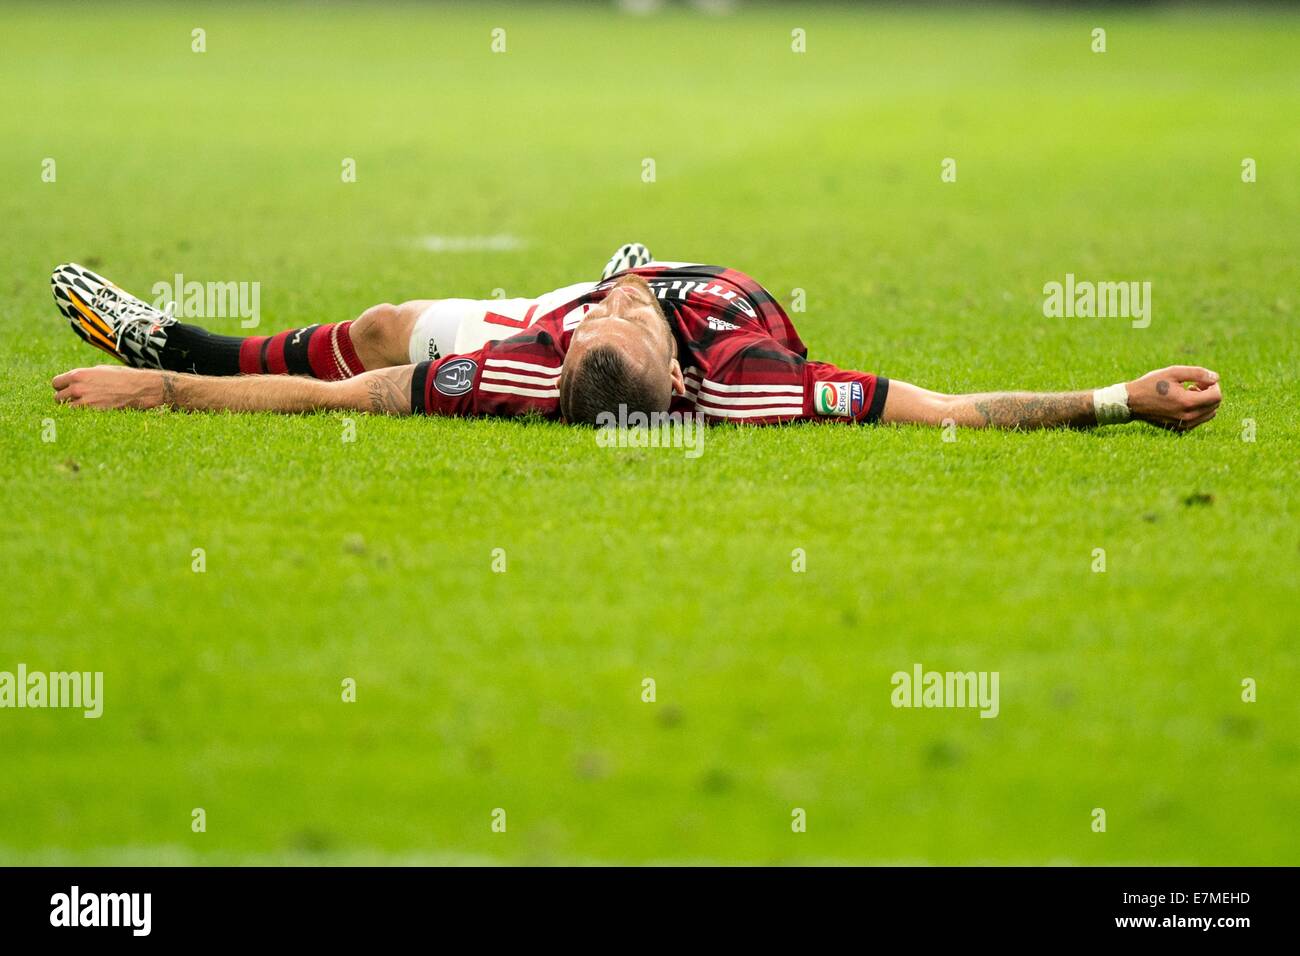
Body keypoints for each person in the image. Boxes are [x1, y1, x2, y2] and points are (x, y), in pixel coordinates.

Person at [48, 244, 1221, 432]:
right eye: (616, 311)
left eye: (612, 313)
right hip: (696, 281)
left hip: (560, 306)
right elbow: (955, 412)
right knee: (374, 329)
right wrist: (1124, 393)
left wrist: (156, 383)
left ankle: (184, 338)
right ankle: (187, 340)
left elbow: (340, 402)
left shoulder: (524, 366)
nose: (616, 306)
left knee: (384, 333)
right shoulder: (751, 380)